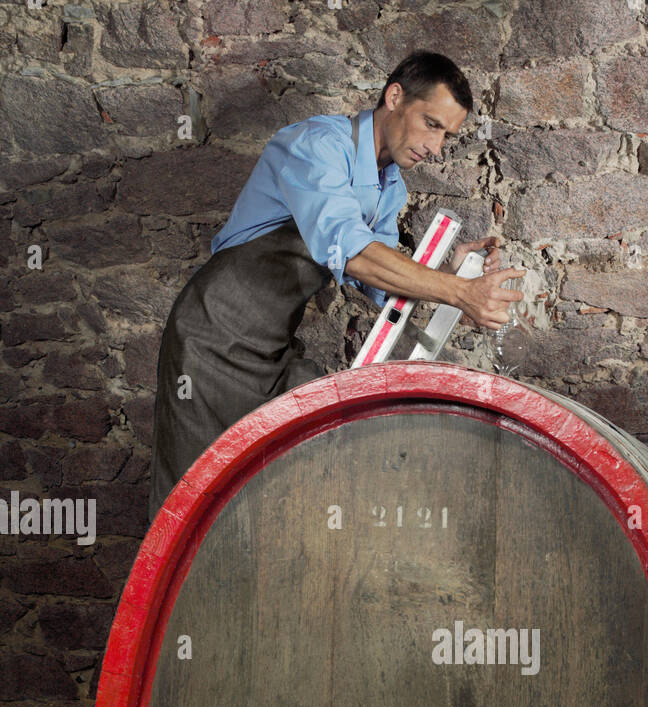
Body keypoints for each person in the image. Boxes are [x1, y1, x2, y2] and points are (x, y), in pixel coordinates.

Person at [148, 50, 524, 521]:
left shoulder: (390, 188)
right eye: (431, 124)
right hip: (211, 338)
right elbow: (353, 252)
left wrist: (449, 276)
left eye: (447, 135)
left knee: (268, 496)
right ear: (394, 97)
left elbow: (382, 283)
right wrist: (459, 294)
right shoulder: (316, 146)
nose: (436, 147)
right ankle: (168, 597)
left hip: (270, 348)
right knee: (193, 501)